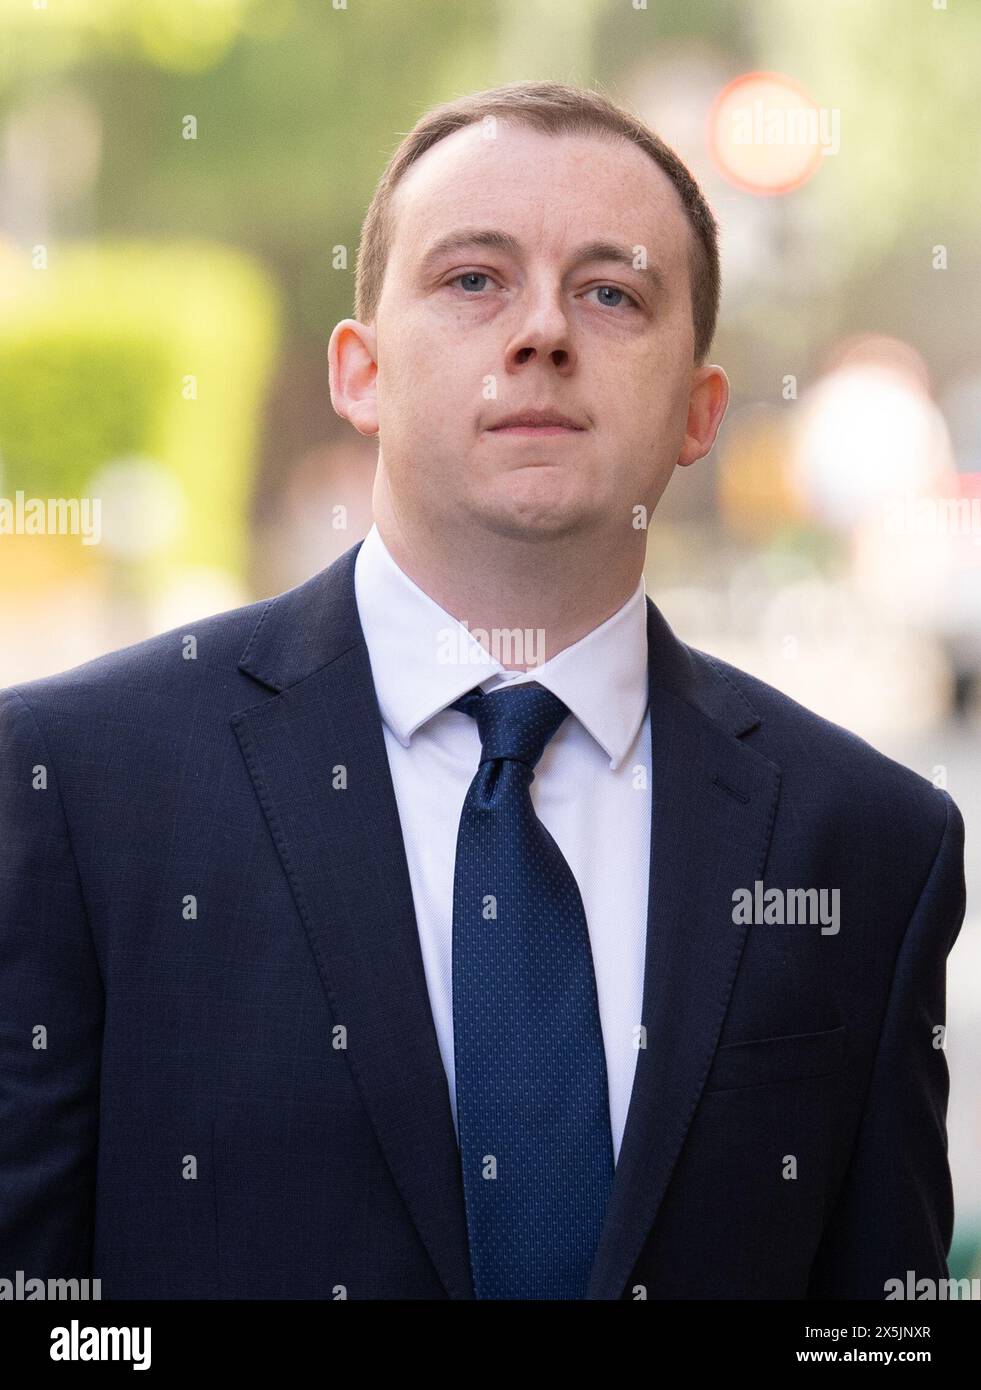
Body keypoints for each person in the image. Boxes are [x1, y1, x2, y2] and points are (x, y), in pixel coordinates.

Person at [0, 80, 966, 1301]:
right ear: (361, 373)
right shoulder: (78, 785)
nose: (544, 331)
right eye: (473, 279)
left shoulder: (871, 843)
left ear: (700, 410)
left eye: (612, 293)